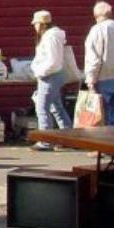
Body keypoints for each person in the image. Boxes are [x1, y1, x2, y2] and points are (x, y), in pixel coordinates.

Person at [28, 10, 73, 150]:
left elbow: (53, 61)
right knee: (56, 106)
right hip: (52, 75)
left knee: (42, 107)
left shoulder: (50, 37)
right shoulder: (52, 35)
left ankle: (45, 140)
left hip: (49, 76)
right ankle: (68, 137)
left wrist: (39, 72)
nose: (34, 26)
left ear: (41, 24)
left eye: (35, 24)